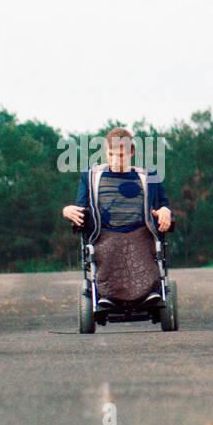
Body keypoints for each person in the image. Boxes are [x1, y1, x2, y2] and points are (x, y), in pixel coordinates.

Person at [62, 128, 172, 306]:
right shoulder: (91, 176)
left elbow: (163, 205)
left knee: (144, 249)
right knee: (108, 249)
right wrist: (67, 210)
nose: (115, 160)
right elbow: (80, 208)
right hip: (105, 233)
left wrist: (165, 210)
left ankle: (149, 293)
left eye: (120, 155)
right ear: (105, 151)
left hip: (140, 232)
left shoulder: (149, 176)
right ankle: (107, 295)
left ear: (132, 152)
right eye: (111, 154)